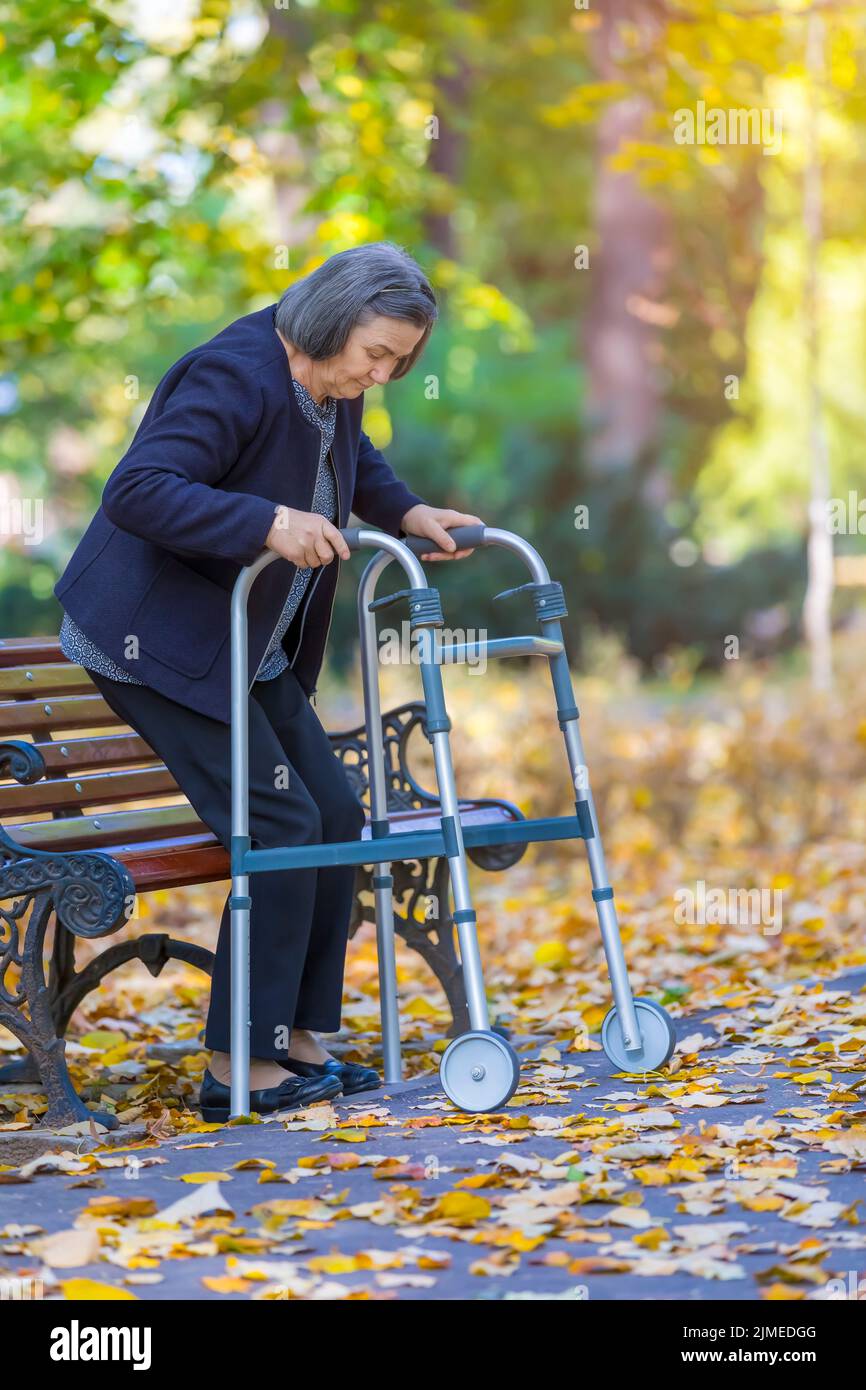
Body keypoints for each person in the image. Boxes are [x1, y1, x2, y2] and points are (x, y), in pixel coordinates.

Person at [54, 241, 483, 1122]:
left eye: (400, 361)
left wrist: (406, 512)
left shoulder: (334, 386)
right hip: (155, 642)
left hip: (246, 644)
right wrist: (267, 521)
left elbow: (349, 467)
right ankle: (235, 1064)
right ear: (331, 319)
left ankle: (294, 1038)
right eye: (377, 353)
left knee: (333, 812)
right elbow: (136, 489)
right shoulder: (233, 374)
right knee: (279, 821)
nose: (384, 374)